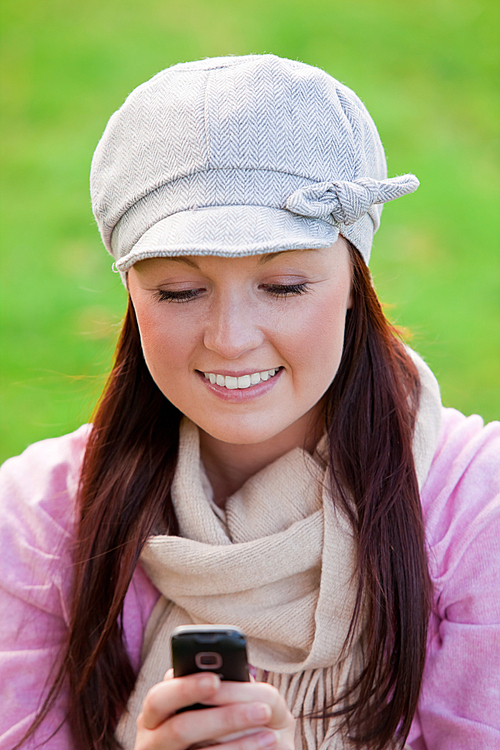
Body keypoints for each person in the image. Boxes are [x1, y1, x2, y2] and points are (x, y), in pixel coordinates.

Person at [0, 54, 499, 750]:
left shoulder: (478, 512)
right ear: (132, 294)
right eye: (179, 290)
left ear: (356, 281)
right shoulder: (33, 519)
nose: (230, 340)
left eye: (285, 285)